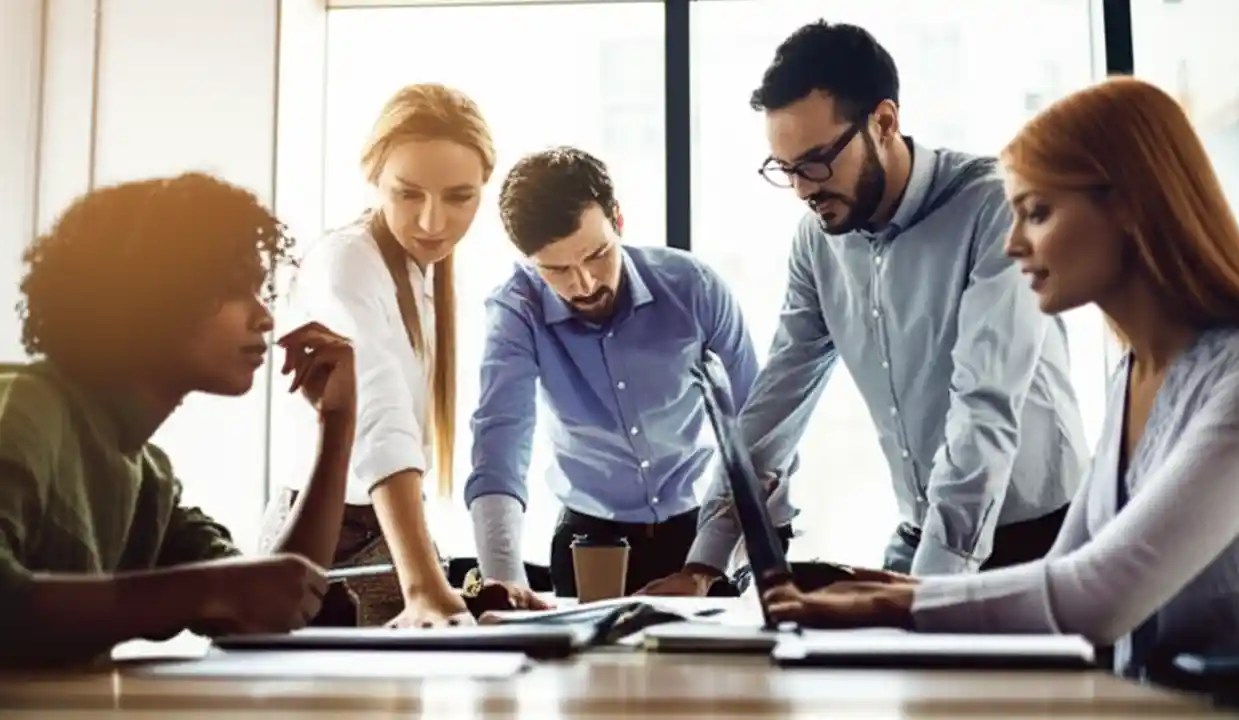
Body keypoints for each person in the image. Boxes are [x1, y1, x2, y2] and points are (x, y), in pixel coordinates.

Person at [762, 77, 1239, 679]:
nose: (1012, 245)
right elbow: (1057, 578)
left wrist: (895, 600)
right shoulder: (1133, 375)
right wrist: (875, 591)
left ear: (1132, 206)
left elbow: (1095, 598)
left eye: (1036, 212)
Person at [640, 21, 1088, 596]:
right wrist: (706, 560)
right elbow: (775, 405)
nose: (802, 189)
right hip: (918, 536)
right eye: (786, 169)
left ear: (884, 121)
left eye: (816, 161)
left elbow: (983, 405)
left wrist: (925, 593)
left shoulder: (994, 208)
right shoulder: (818, 241)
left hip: (1039, 542)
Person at [0, 173, 355, 664]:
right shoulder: (23, 408)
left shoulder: (149, 479)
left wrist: (336, 425)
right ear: (148, 293)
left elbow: (267, 603)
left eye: (261, 290)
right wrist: (205, 589)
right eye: (233, 290)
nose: (265, 318)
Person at [260, 83, 546, 627]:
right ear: (374, 179)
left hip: (378, 543)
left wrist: (471, 590)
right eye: (408, 194)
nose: (433, 222)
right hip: (330, 551)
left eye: (459, 197)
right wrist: (422, 585)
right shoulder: (347, 261)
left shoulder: (422, 272)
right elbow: (380, 414)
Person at [464, 147, 762, 596]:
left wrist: (711, 563)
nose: (583, 284)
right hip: (587, 542)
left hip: (699, 534)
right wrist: (503, 580)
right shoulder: (516, 310)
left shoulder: (695, 288)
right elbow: (500, 444)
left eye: (597, 254)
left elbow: (756, 429)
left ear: (618, 220)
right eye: (556, 269)